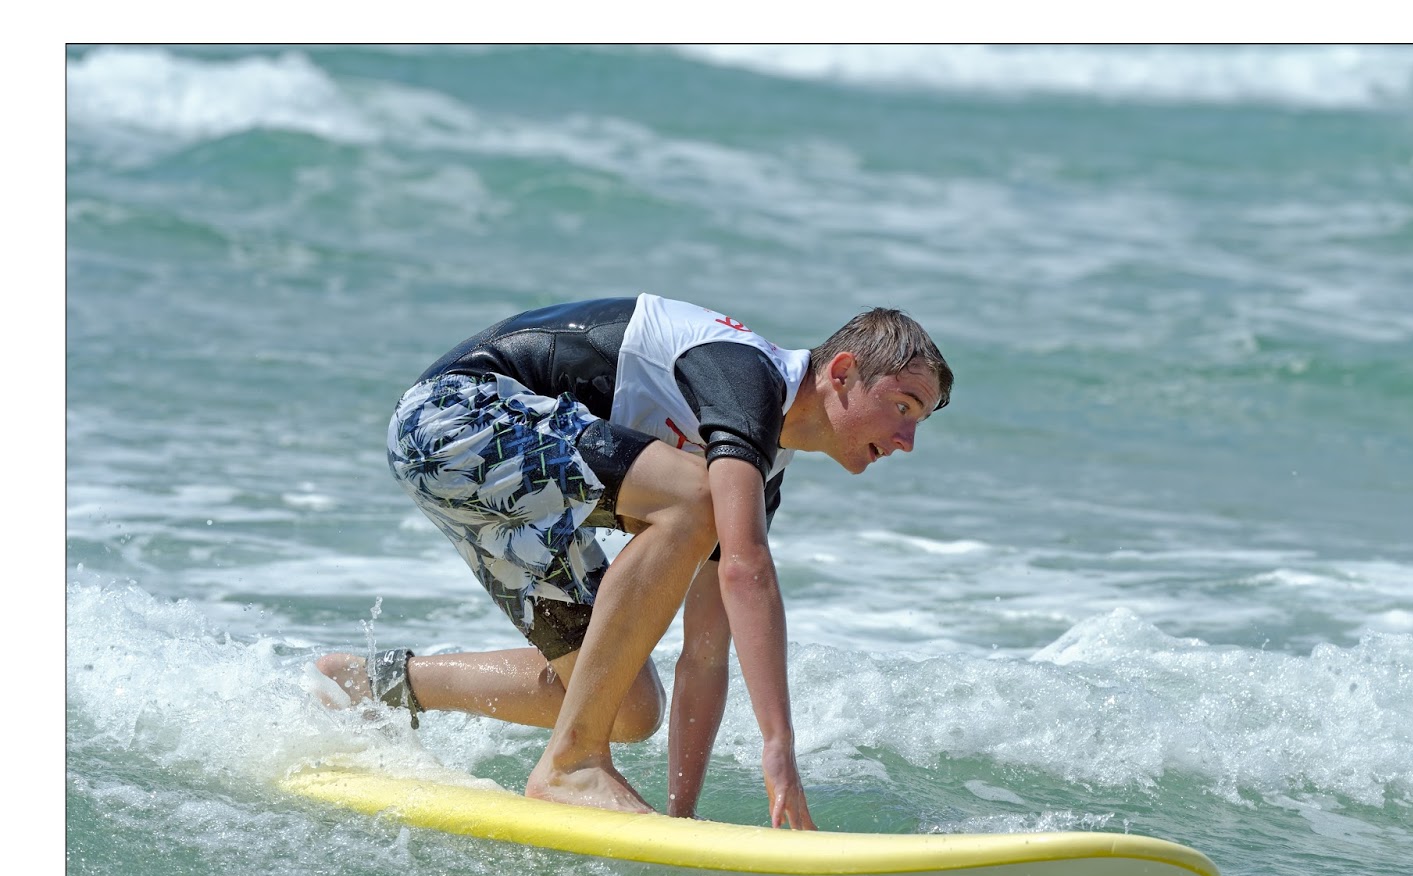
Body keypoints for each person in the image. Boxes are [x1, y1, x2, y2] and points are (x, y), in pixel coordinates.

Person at [316, 294, 952, 828]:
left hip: (497, 478)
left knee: (628, 708)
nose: (907, 440)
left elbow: (706, 653)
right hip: (449, 419)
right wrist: (779, 748)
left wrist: (682, 821)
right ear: (840, 372)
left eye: (918, 422)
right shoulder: (745, 375)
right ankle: (571, 763)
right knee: (699, 498)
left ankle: (375, 686)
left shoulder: (757, 473)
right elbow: (745, 571)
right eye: (902, 406)